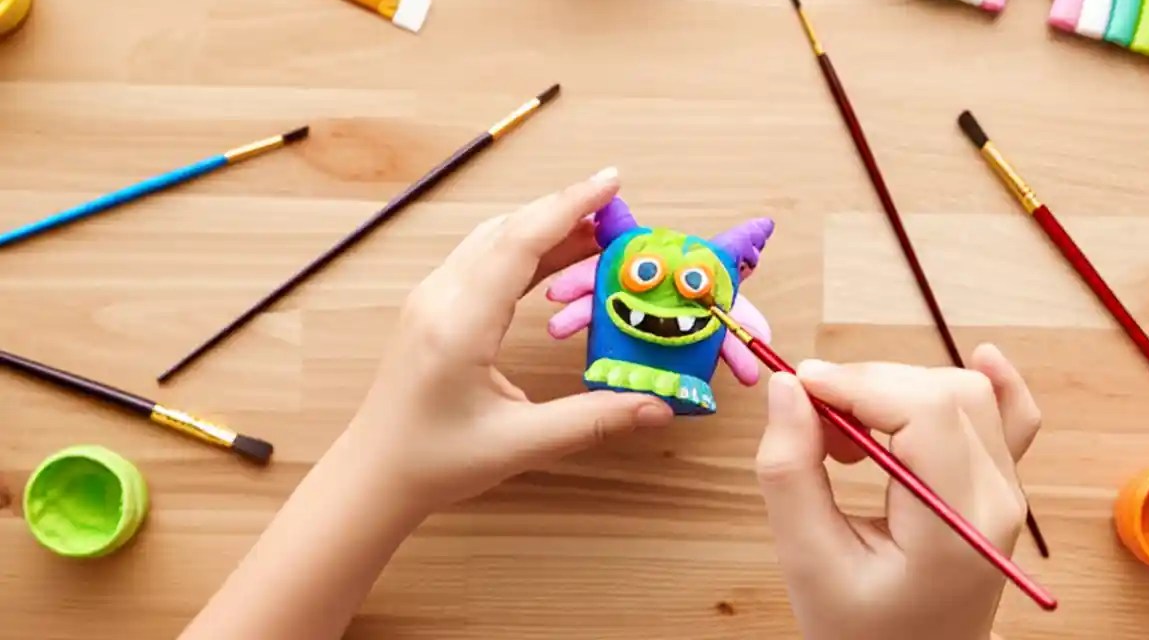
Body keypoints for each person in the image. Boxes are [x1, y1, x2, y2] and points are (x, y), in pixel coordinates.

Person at [179, 169, 1041, 640]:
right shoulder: (621, 270)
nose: (675, 295)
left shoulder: (719, 301)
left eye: (703, 281)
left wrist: (375, 470)